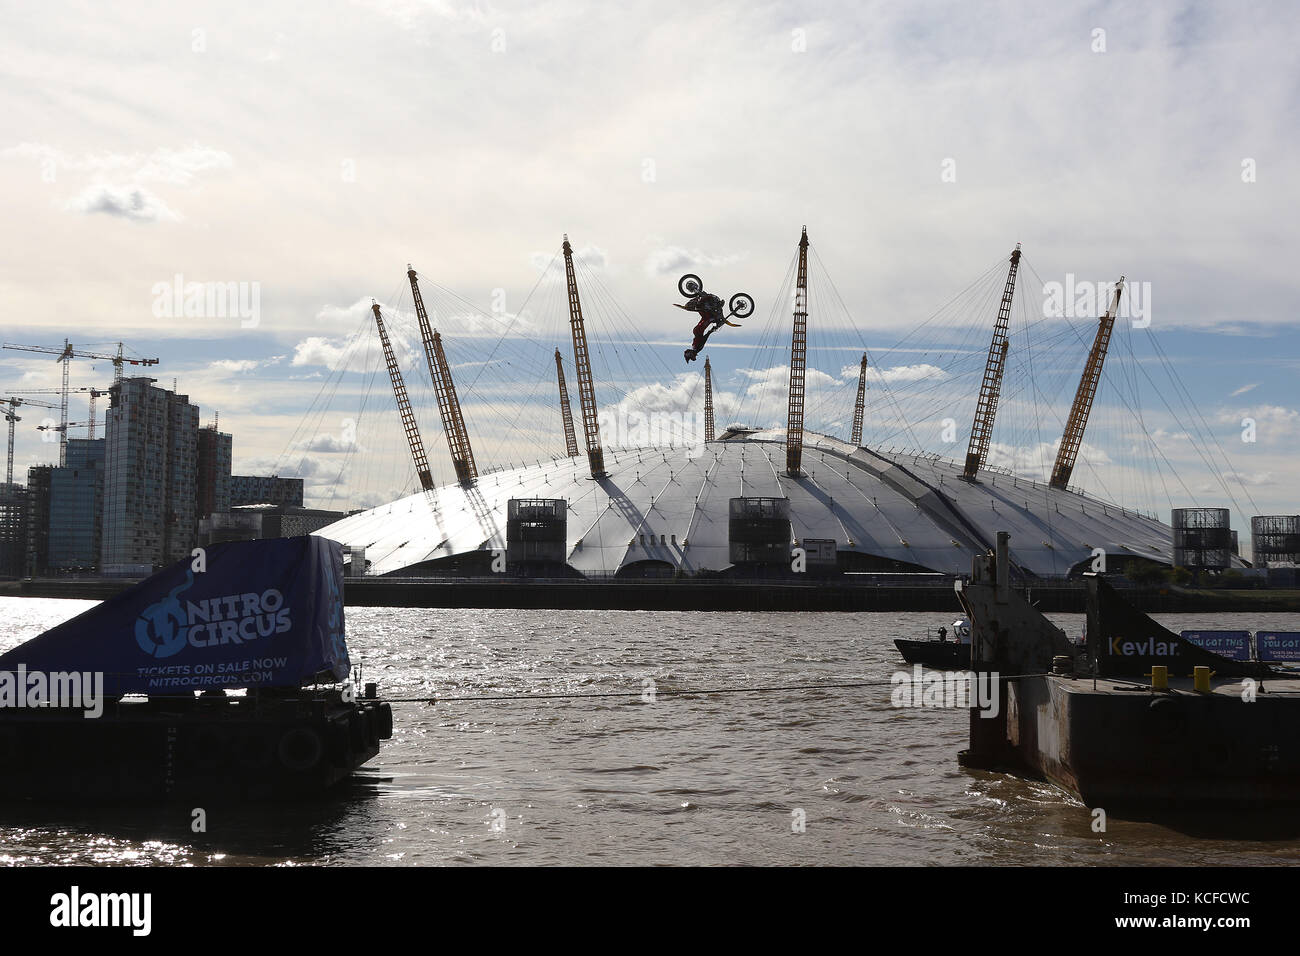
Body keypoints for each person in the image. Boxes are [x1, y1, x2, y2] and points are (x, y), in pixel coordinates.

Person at [677, 290, 726, 362]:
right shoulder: (694, 348)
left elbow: (704, 339)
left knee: (710, 318)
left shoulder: (697, 348)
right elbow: (703, 339)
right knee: (705, 315)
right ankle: (703, 301)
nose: (695, 356)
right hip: (697, 330)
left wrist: (711, 331)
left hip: (699, 330)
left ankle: (709, 302)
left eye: (692, 356)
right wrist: (711, 330)